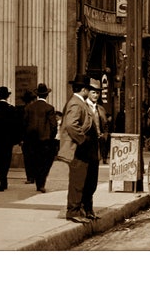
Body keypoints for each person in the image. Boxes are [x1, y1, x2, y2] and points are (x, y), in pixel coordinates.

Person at [57, 74, 93, 222]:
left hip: (79, 148)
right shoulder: (76, 103)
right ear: (84, 89)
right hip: (77, 148)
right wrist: (82, 139)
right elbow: (71, 124)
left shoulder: (77, 102)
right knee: (77, 181)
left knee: (80, 180)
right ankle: (73, 211)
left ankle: (76, 209)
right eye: (88, 89)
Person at [22, 82, 59, 193]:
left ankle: (34, 178)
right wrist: (50, 138)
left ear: (37, 94)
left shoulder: (29, 107)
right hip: (45, 141)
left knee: (34, 160)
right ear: (46, 95)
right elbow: (53, 125)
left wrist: (25, 138)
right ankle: (41, 183)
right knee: (44, 162)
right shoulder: (49, 108)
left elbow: (24, 124)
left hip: (31, 140)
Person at [80, 78, 104, 220]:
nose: (96, 95)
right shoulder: (84, 107)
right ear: (88, 92)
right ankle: (85, 207)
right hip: (86, 146)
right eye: (94, 92)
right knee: (86, 178)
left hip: (97, 146)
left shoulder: (99, 109)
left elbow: (104, 124)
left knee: (93, 180)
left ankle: (89, 207)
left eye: (98, 93)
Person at [17, 90, 36, 183]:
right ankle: (35, 177)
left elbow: (20, 126)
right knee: (35, 157)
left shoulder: (21, 110)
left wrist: (20, 139)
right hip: (35, 138)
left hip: (26, 139)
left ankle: (30, 177)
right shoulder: (35, 109)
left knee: (27, 159)